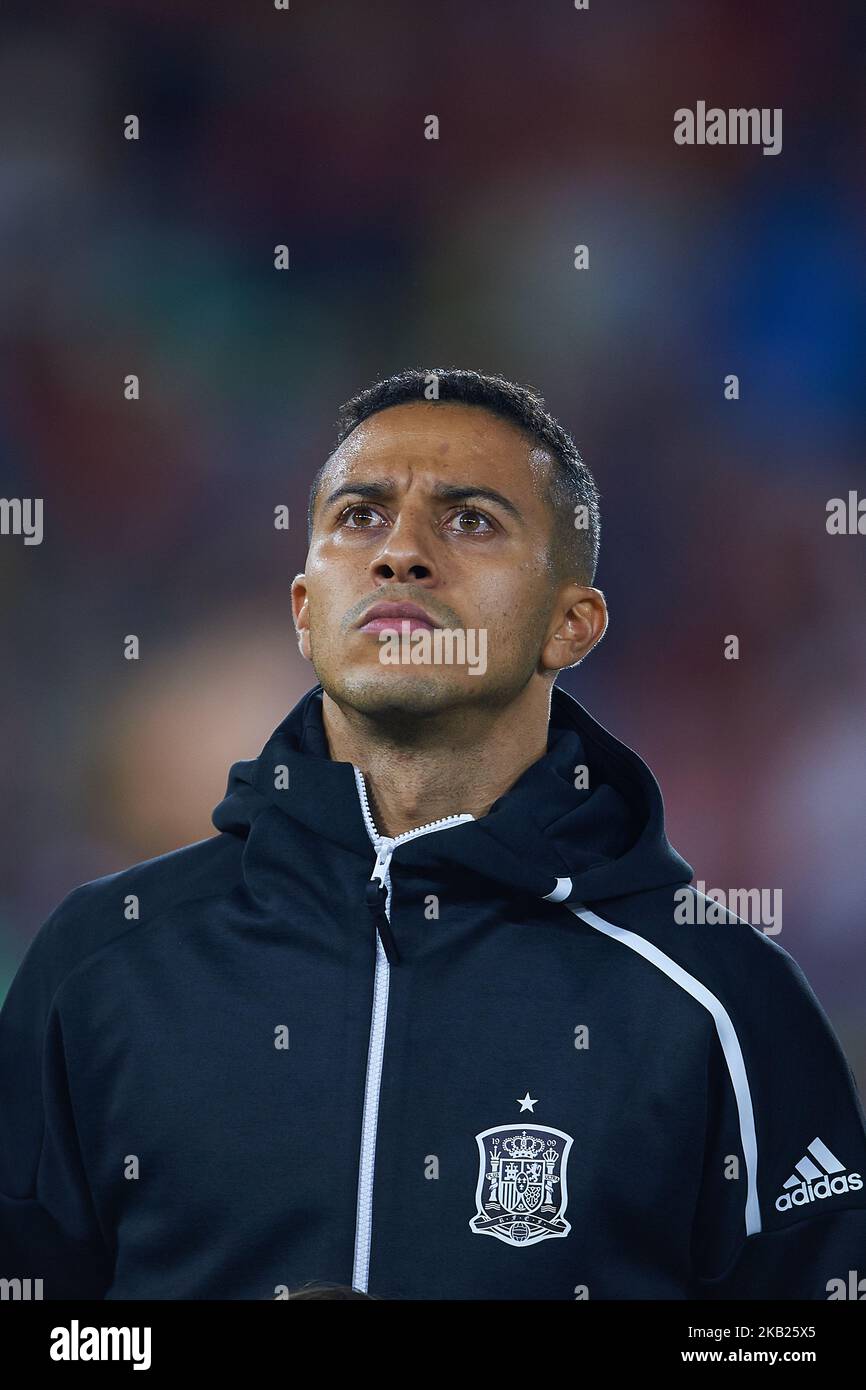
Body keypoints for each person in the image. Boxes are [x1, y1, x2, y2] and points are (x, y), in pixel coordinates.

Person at [1, 367, 864, 1300]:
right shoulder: (102, 962)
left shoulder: (722, 998)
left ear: (571, 625)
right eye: (360, 516)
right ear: (304, 609)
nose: (400, 553)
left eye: (471, 520)